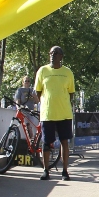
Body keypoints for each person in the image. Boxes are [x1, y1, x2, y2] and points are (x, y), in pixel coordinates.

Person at [34, 46, 75, 181]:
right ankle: (46, 170)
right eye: (51, 53)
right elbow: (38, 92)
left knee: (64, 142)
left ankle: (65, 171)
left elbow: (71, 93)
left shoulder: (68, 72)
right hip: (48, 113)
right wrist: (46, 103)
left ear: (61, 56)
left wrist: (60, 102)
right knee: (46, 142)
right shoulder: (42, 71)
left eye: (56, 53)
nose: (53, 55)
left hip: (64, 113)